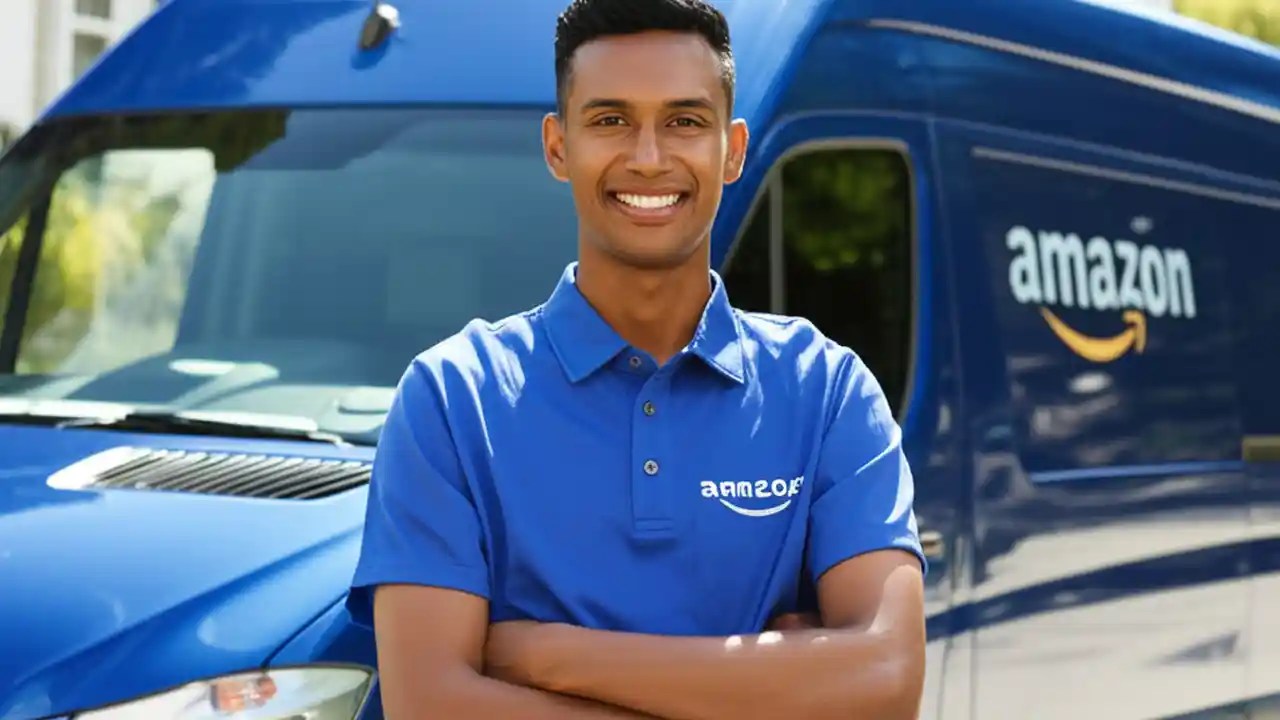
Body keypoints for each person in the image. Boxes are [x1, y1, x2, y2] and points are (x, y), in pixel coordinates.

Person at [346, 0, 928, 717]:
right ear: (558, 147)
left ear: (733, 149)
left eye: (684, 121)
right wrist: (776, 691)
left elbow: (888, 677)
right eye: (610, 120)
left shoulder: (829, 391)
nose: (649, 158)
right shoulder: (452, 398)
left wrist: (544, 655)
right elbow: (433, 705)